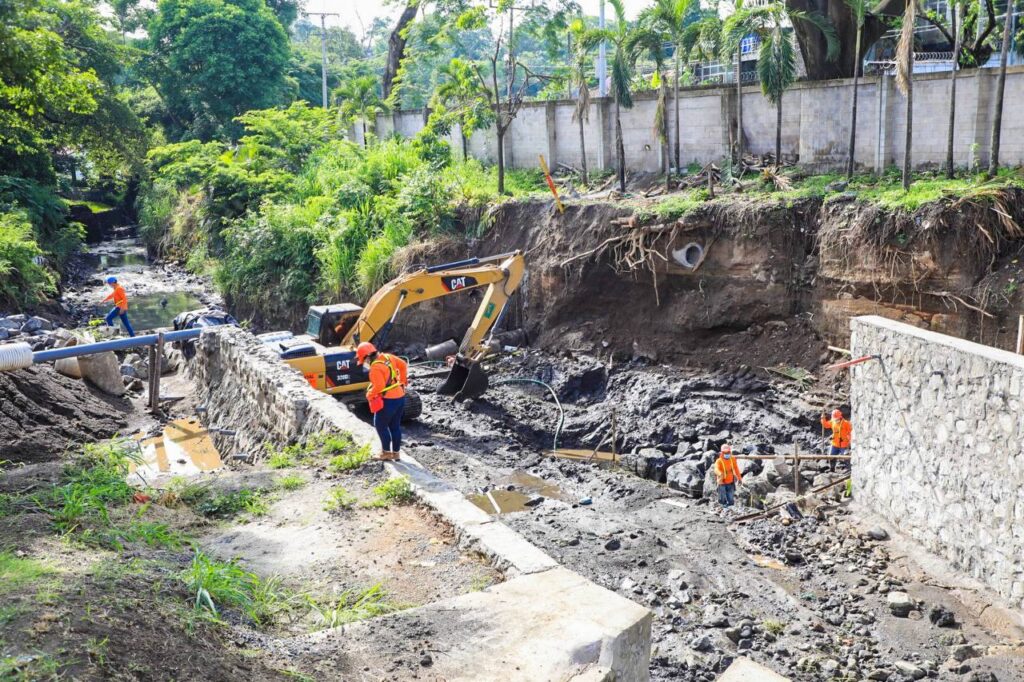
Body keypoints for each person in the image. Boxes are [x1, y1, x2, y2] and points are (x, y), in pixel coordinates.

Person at [356, 341, 408, 461]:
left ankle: (385, 453)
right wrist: (403, 380)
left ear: (367, 357)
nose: (364, 363)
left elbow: (379, 386)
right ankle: (396, 453)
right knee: (395, 426)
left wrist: (370, 394)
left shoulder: (375, 368)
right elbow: (403, 364)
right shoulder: (388, 357)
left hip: (387, 400)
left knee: (380, 425)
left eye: (364, 361)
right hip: (399, 397)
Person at [820, 408, 852, 472]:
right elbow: (826, 425)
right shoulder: (833, 421)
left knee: (846, 456)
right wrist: (823, 418)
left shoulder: (846, 423)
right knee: (831, 456)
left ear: (840, 417)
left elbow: (850, 433)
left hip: (844, 444)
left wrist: (850, 442)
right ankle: (832, 469)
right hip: (835, 443)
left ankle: (849, 469)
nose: (835, 419)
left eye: (836, 418)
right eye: (834, 418)